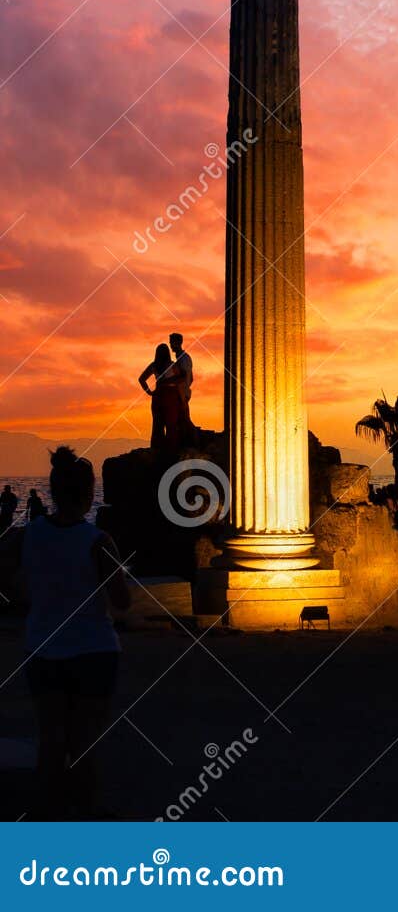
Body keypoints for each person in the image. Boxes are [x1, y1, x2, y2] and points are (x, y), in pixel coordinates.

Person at [19, 447, 131, 818]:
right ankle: (83, 824)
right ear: (88, 495)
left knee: (50, 740)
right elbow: (122, 601)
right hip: (94, 651)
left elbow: (16, 584)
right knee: (84, 743)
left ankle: (45, 819)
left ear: (52, 491)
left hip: (42, 648)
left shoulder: (28, 535)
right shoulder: (99, 542)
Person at [138, 343, 182, 452]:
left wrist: (150, 392)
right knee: (171, 425)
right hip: (170, 396)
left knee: (157, 426)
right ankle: (170, 452)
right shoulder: (172, 365)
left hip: (158, 396)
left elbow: (141, 379)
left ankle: (157, 451)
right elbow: (180, 378)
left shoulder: (154, 365)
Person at [168, 332, 195, 443]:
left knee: (183, 420)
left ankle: (192, 441)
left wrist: (167, 381)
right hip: (184, 393)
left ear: (176, 343)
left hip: (181, 394)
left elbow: (183, 376)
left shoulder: (182, 359)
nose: (170, 345)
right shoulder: (186, 357)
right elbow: (191, 378)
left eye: (171, 342)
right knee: (183, 419)